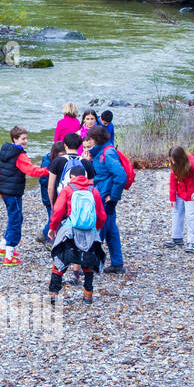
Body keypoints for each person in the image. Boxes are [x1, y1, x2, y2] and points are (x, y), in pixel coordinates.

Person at [47, 162, 107, 304]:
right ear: (85, 176)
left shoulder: (68, 190)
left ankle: (53, 295)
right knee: (88, 263)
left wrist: (53, 227)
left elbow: (57, 211)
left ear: (71, 176)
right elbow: (101, 215)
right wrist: (96, 229)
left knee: (60, 261)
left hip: (70, 231)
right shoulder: (94, 191)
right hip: (89, 232)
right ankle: (88, 295)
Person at [0, 127, 49, 265]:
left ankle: (2, 246)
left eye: (26, 138)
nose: (26, 141)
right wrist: (48, 170)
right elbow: (31, 170)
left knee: (14, 217)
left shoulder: (6, 152)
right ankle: (9, 255)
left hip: (5, 191)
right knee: (16, 219)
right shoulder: (19, 155)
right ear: (15, 139)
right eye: (23, 139)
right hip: (13, 191)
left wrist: (1, 187)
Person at [87, 125, 127, 273]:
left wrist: (113, 196)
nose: (88, 141)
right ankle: (117, 264)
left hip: (105, 198)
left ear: (97, 139)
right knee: (111, 231)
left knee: (101, 230)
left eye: (90, 138)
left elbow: (120, 175)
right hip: (103, 196)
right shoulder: (100, 152)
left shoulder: (108, 152)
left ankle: (95, 264)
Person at [167, 145, 194, 253]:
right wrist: (172, 197)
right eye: (171, 160)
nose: (172, 163)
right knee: (176, 212)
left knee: (191, 217)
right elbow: (173, 180)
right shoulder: (174, 164)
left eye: (174, 160)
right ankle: (177, 238)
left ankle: (192, 243)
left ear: (180, 159)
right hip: (181, 192)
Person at [36, 140, 64, 243]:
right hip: (48, 195)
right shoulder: (47, 161)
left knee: (54, 217)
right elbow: (43, 180)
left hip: (56, 193)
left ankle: (44, 233)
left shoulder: (59, 161)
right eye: (61, 155)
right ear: (55, 153)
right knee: (53, 217)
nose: (62, 157)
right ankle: (48, 239)